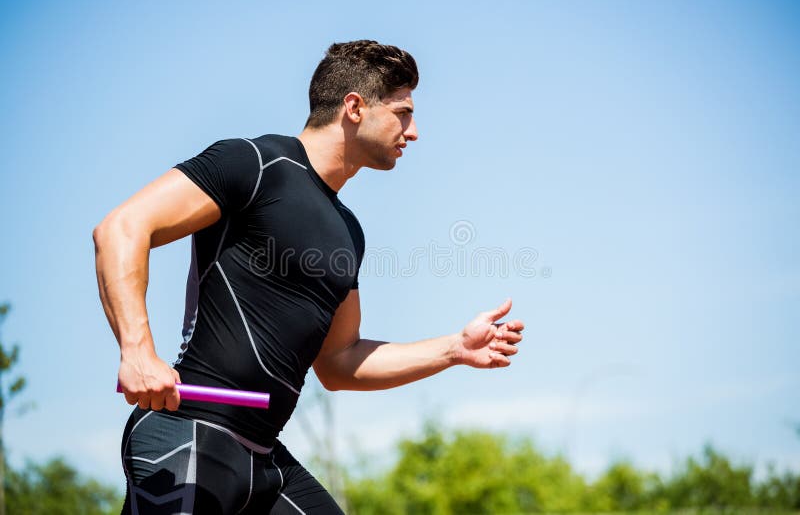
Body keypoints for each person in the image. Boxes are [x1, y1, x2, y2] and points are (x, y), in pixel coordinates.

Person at [94, 40, 524, 514]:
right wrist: (137, 351)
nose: (414, 131)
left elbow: (340, 361)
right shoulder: (254, 164)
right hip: (189, 432)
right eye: (403, 112)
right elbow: (122, 228)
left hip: (264, 461)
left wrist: (454, 348)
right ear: (355, 107)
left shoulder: (348, 232)